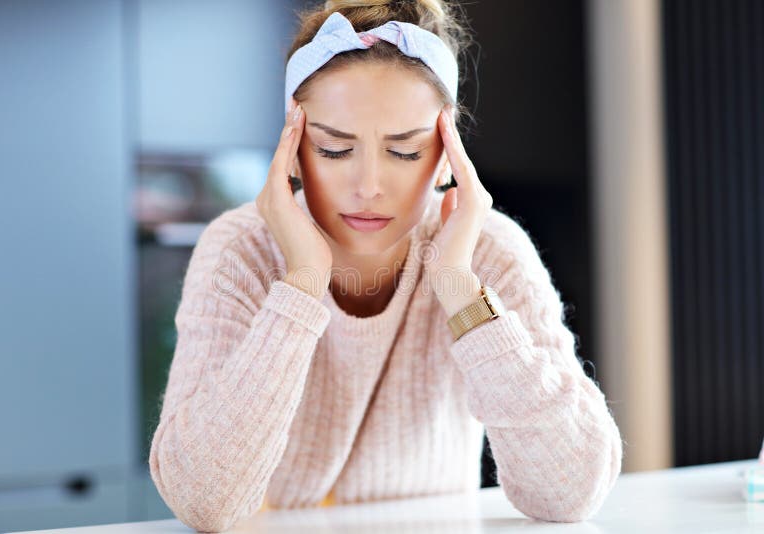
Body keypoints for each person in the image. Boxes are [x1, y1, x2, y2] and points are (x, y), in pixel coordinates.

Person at [148, 1, 624, 532]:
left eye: (404, 151)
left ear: (448, 153)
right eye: (333, 149)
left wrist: (461, 292)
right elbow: (201, 501)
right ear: (294, 146)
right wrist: (302, 284)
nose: (369, 186)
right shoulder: (241, 250)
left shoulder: (489, 251)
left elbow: (572, 493)